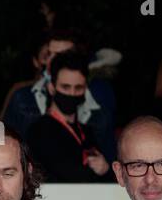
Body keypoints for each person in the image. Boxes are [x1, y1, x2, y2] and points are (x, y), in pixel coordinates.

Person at [2, 28, 117, 163]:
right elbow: (5, 149)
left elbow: (109, 154)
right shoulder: (23, 98)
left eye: (63, 55)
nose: (53, 61)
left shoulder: (99, 97)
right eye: (49, 55)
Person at [26, 50, 112, 183]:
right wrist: (104, 171)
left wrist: (106, 169)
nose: (72, 93)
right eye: (65, 87)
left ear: (85, 89)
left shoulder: (87, 132)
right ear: (51, 88)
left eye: (78, 88)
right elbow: (70, 177)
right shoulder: (40, 132)